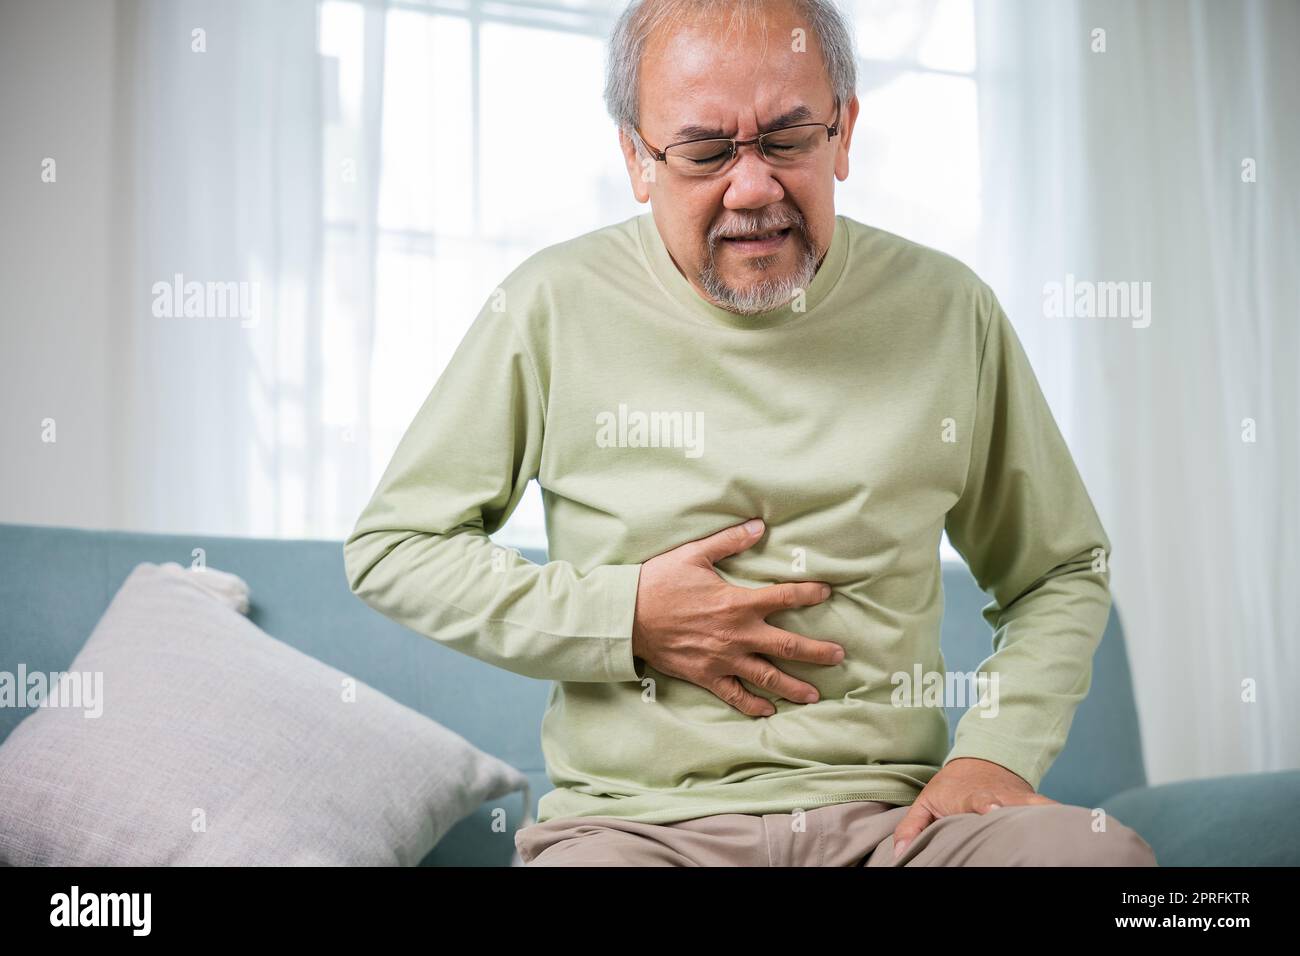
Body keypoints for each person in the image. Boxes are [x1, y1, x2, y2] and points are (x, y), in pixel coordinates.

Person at [343, 0, 1157, 867]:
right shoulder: (549, 306)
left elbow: (1061, 570)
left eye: (788, 139)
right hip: (634, 830)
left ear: (843, 132)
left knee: (1107, 868)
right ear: (636, 158)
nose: (754, 187)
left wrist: (996, 752)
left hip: (896, 826)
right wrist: (625, 617)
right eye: (704, 152)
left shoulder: (951, 311)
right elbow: (395, 547)